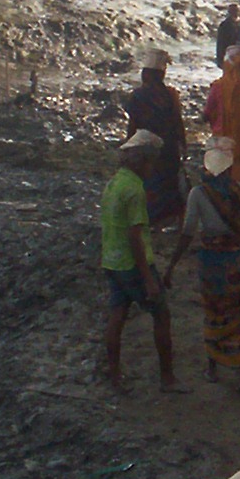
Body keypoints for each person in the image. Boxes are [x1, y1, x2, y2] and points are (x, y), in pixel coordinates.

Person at [165, 136, 240, 387]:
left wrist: (171, 266)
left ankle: (213, 366)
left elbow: (187, 233)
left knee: (214, 313)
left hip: (212, 264)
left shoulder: (199, 194)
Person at [101, 129, 180, 392]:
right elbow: (135, 235)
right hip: (133, 264)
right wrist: (148, 278)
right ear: (143, 161)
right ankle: (167, 379)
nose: (153, 168)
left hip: (111, 261)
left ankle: (114, 377)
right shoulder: (135, 190)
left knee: (117, 316)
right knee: (161, 314)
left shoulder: (114, 183)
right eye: (152, 162)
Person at [123, 51, 188, 225]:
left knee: (149, 184)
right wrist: (183, 143)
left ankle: (150, 220)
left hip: (146, 146)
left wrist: (128, 145)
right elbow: (177, 121)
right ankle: (175, 221)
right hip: (169, 146)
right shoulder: (170, 95)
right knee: (171, 185)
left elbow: (133, 124)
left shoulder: (137, 96)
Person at [202, 44, 240, 218]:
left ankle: (220, 218)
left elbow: (207, 114)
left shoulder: (217, 87)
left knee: (219, 179)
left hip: (220, 143)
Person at [215, 2, 240, 69]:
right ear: (229, 12)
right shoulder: (224, 25)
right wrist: (220, 59)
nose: (235, 12)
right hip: (228, 54)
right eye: (232, 11)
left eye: (236, 10)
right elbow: (220, 43)